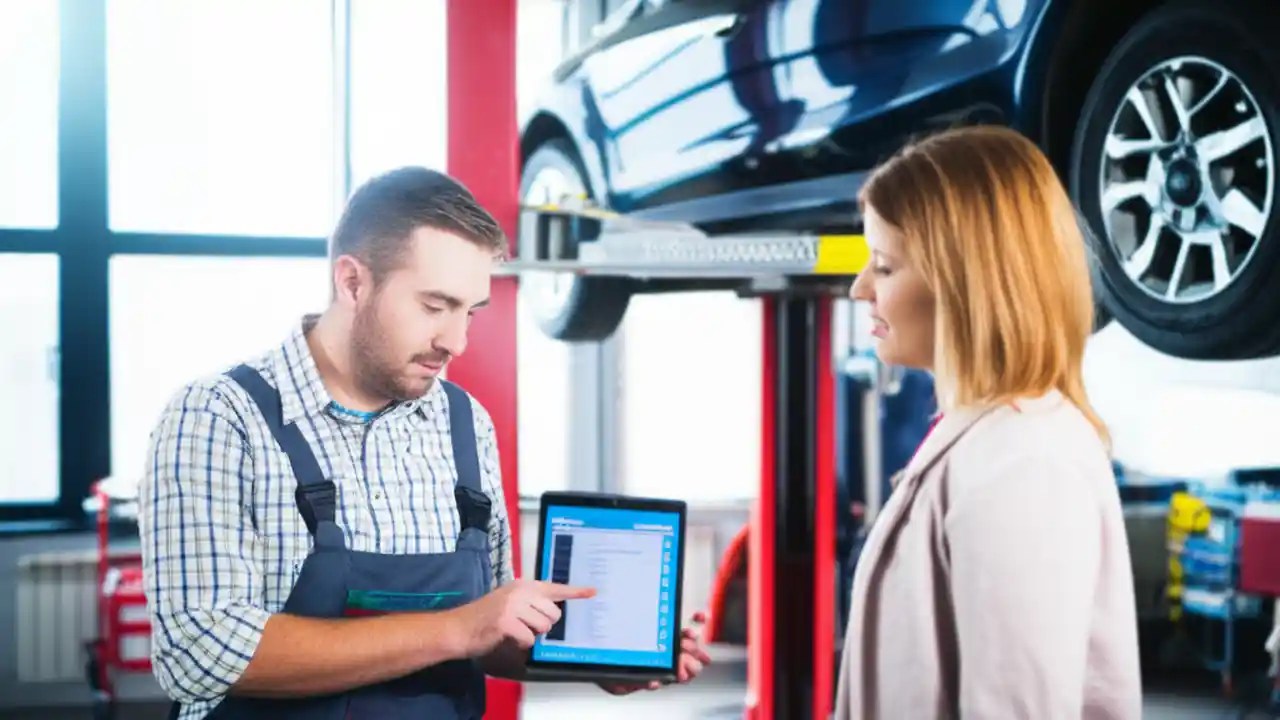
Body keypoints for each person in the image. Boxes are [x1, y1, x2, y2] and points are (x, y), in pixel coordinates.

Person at [137, 167, 711, 720]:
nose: (456, 341)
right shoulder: (219, 418)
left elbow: (489, 635)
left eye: (469, 312)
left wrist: (592, 660)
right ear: (353, 281)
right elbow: (201, 654)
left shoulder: (464, 424)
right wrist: (458, 627)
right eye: (434, 307)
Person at [835, 126, 1142, 719]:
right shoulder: (985, 438)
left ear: (965, 282)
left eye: (884, 266)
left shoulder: (1023, 461)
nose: (859, 289)